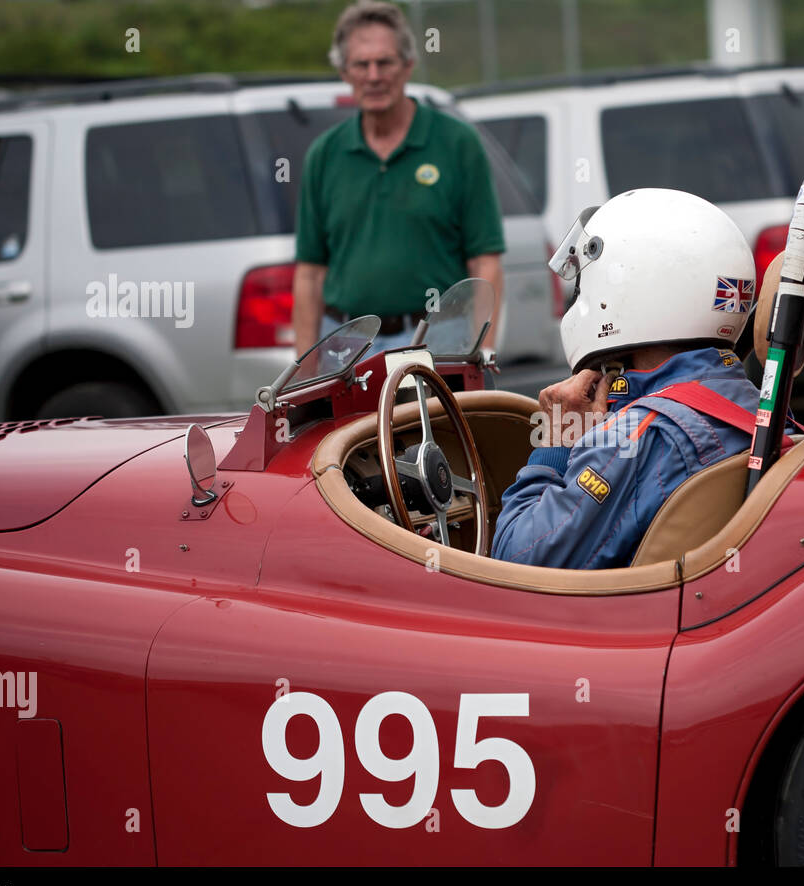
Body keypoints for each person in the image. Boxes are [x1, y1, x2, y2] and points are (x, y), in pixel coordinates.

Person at [492, 188, 767, 570]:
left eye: (586, 283)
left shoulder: (631, 439)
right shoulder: (756, 405)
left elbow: (516, 562)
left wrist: (557, 441)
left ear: (625, 291)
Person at [293, 1, 505, 358]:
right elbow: (309, 275)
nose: (374, 75)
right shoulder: (324, 155)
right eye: (362, 64)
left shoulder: (457, 143)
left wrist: (483, 351)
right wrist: (302, 378)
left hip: (439, 337)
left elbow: (485, 263)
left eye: (385, 62)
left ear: (408, 66)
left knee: (436, 419)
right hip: (345, 346)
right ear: (345, 72)